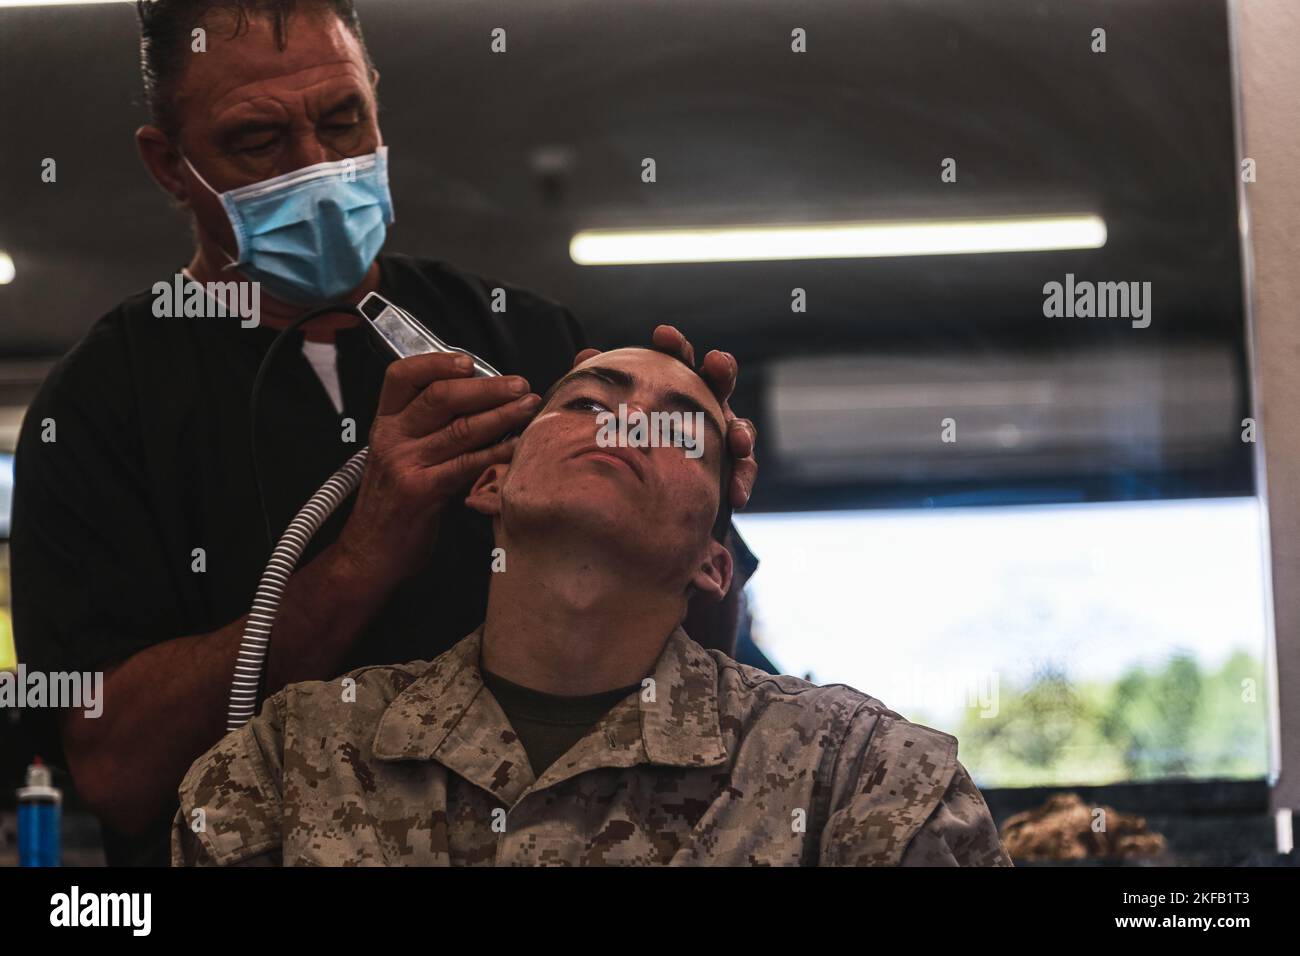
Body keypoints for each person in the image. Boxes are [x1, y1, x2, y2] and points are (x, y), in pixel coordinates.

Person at [9, 0, 757, 866]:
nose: (319, 168)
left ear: (376, 101)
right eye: (259, 142)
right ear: (170, 166)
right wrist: (360, 558)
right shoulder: (104, 405)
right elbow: (116, 772)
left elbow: (698, 675)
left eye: (342, 120)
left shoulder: (525, 342)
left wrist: (699, 517)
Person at [172, 347, 1011, 867]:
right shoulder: (296, 759)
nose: (628, 423)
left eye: (680, 430)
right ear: (492, 484)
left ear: (715, 565)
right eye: (585, 402)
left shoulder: (858, 776)